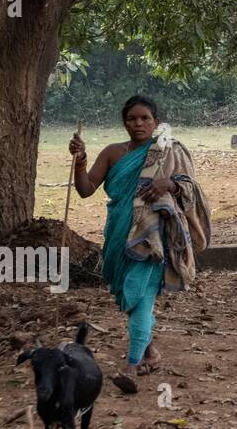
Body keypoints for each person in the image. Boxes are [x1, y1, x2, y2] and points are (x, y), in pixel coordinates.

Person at [69, 95, 210, 393]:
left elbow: (191, 189)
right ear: (124, 122)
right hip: (119, 234)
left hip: (153, 236)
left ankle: (131, 367)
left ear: (156, 122)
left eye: (145, 118)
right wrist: (80, 161)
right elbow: (85, 190)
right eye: (132, 118)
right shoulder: (112, 153)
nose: (139, 123)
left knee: (140, 296)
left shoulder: (167, 152)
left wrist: (167, 185)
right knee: (126, 294)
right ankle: (150, 352)